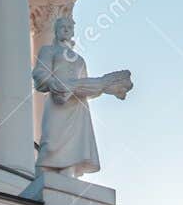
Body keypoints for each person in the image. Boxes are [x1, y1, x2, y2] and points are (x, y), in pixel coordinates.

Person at [32, 13, 132, 179]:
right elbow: (40, 74)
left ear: (73, 32)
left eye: (69, 28)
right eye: (62, 27)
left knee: (74, 146)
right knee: (50, 141)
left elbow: (85, 83)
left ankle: (68, 175)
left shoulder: (80, 59)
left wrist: (101, 86)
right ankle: (43, 175)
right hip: (57, 103)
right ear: (56, 30)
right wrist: (55, 85)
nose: (66, 30)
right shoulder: (48, 51)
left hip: (77, 105)